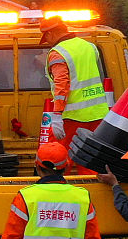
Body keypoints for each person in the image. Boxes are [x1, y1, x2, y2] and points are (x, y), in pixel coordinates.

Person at [40, 16, 109, 172]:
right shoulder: (90, 47)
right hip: (98, 114)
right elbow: (99, 77)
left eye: (46, 38)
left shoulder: (58, 53)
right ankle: (91, 192)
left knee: (54, 160)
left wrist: (57, 115)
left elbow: (61, 86)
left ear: (50, 34)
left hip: (72, 117)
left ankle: (57, 193)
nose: (48, 42)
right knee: (89, 160)